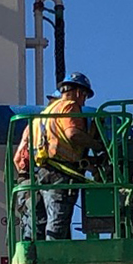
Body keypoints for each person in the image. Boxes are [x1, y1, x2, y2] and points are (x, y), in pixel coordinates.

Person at [25, 72, 98, 240]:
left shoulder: (44, 114)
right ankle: (53, 257)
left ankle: (37, 254)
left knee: (41, 220)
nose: (83, 101)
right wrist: (96, 145)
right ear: (80, 93)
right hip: (60, 173)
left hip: (42, 171)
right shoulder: (70, 106)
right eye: (84, 97)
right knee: (58, 218)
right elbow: (72, 134)